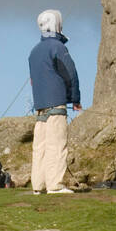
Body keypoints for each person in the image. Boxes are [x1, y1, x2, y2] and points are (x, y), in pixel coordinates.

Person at [29, 10, 81, 195]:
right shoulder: (58, 48)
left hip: (40, 106)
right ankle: (55, 185)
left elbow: (34, 80)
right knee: (56, 144)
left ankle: (38, 185)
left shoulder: (34, 51)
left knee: (40, 147)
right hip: (56, 103)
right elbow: (70, 73)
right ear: (57, 25)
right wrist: (75, 99)